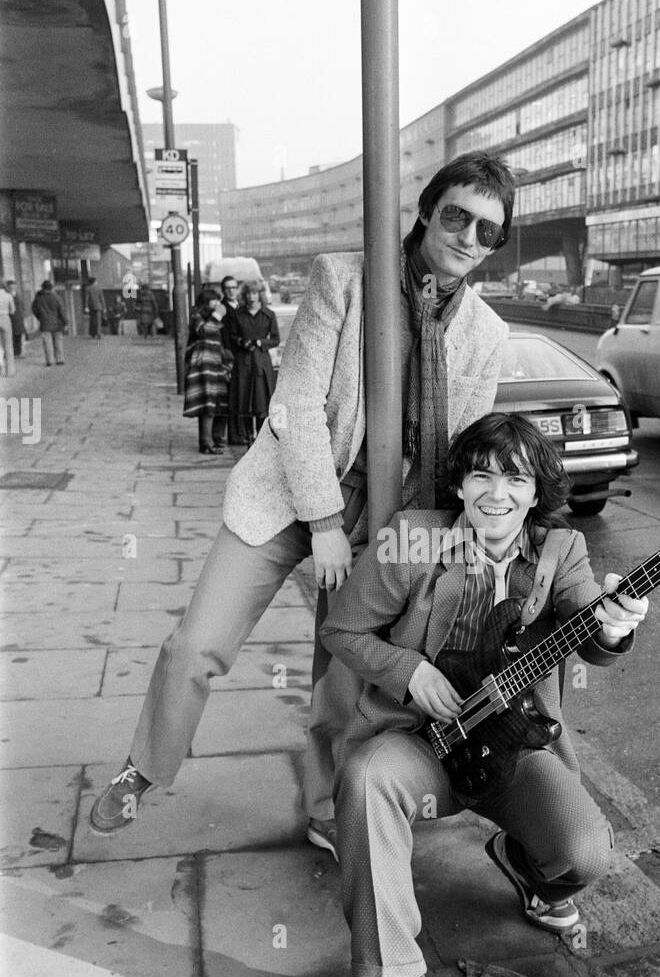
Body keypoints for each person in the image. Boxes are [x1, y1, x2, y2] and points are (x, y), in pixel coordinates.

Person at [88, 151, 515, 842]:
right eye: (456, 216)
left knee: (340, 685)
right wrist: (320, 520)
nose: (467, 237)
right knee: (196, 643)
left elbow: (464, 451)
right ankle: (145, 766)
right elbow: (296, 404)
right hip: (292, 491)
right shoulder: (342, 278)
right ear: (426, 213)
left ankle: (324, 811)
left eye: (486, 230)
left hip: (386, 516)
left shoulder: (486, 334)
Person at [319, 412, 649, 977]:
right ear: (460, 486)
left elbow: (591, 636)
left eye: (515, 479)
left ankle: (528, 871)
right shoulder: (413, 538)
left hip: (513, 748)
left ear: (536, 494)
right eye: (480, 476)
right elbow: (343, 628)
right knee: (365, 778)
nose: (495, 494)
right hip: (422, 741)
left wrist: (614, 626)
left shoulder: (561, 550)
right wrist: (408, 671)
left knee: (584, 854)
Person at [225, 279, 280, 446]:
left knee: (262, 401)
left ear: (260, 295)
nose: (251, 296)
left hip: (261, 363)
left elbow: (276, 339)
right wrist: (242, 342)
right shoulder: (237, 314)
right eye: (248, 293)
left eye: (254, 293)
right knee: (244, 399)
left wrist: (260, 343)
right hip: (244, 362)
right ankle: (248, 436)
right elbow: (232, 337)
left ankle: (263, 438)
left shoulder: (268, 314)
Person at [182, 286, 231, 454]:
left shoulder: (212, 318)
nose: (218, 303)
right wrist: (218, 314)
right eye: (214, 299)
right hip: (202, 367)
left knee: (216, 405)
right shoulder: (197, 317)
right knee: (207, 407)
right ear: (206, 301)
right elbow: (204, 331)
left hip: (215, 366)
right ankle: (206, 443)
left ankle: (212, 441)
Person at [218, 276, 241, 449]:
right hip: (228, 357)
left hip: (241, 357)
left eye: (233, 287)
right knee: (229, 398)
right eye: (227, 288)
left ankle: (239, 433)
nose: (231, 290)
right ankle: (228, 435)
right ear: (223, 290)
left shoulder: (240, 307)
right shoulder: (222, 308)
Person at [32, 280, 67, 366]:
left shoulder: (38, 298)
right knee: (58, 341)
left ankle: (50, 361)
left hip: (45, 323)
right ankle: (60, 359)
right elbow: (61, 310)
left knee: (47, 342)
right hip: (57, 323)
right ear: (51, 288)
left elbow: (34, 309)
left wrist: (39, 317)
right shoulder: (56, 297)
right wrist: (65, 321)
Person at [5, 280, 25, 358]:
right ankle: (14, 353)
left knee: (18, 336)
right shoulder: (7, 295)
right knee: (11, 337)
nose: (13, 288)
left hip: (18, 319)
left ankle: (18, 353)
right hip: (10, 319)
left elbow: (22, 305)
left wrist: (22, 314)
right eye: (11, 287)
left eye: (14, 286)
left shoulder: (17, 295)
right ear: (8, 287)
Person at [0, 280, 16, 375]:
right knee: (8, 345)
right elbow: (12, 311)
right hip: (5, 319)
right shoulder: (8, 295)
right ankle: (10, 371)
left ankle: (0, 364)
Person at [84, 276, 106, 342]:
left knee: (92, 320)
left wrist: (86, 306)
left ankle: (93, 333)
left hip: (91, 307)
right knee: (98, 320)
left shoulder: (87, 288)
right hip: (98, 306)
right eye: (96, 281)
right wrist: (104, 307)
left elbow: (87, 298)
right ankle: (98, 334)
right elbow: (102, 298)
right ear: (94, 282)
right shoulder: (99, 288)